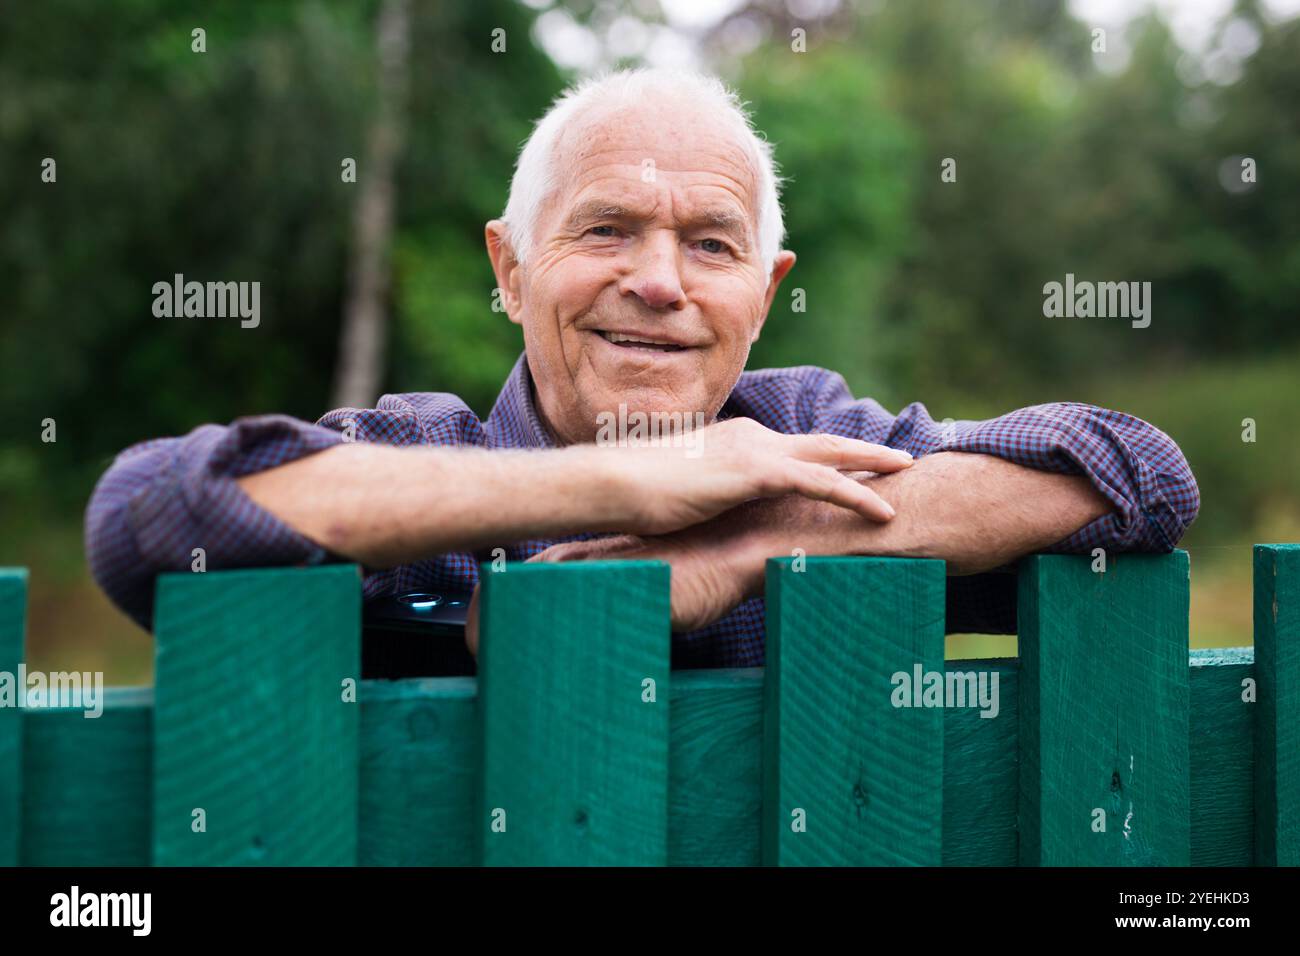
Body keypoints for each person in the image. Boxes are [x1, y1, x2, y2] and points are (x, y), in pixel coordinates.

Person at [85, 69, 1199, 669]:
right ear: (511, 269)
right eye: (606, 228)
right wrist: (619, 486)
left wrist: (753, 536)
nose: (660, 281)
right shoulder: (420, 459)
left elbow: (1133, 472)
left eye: (712, 244)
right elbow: (149, 515)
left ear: (764, 295)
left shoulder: (804, 436)